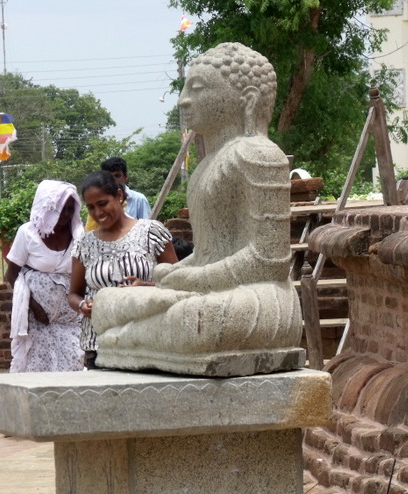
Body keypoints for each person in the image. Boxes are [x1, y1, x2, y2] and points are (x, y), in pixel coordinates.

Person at [90, 42, 302, 376]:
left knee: (194, 319)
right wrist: (180, 273)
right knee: (106, 302)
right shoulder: (206, 166)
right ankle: (128, 337)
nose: (183, 99)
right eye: (186, 88)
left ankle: (126, 338)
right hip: (210, 288)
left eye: (197, 88)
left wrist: (192, 278)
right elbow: (209, 251)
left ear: (246, 99)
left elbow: (268, 260)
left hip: (259, 300)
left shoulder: (260, 155)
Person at [69, 170, 177, 369]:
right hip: (99, 345)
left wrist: (146, 286)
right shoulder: (85, 244)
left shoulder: (151, 233)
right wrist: (83, 306)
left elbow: (176, 284)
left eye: (103, 203)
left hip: (146, 343)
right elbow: (73, 294)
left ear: (119, 196)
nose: (98, 213)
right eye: (91, 207)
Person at [5, 180, 85, 373]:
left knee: (73, 360)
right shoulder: (28, 233)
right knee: (37, 366)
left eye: (69, 209)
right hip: (36, 319)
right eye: (60, 210)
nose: (65, 215)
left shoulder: (78, 234)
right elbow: (12, 274)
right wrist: (35, 307)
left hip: (68, 317)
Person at [84, 156, 151, 231]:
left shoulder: (139, 200)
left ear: (125, 177)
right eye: (110, 177)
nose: (114, 180)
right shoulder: (96, 202)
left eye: (117, 176)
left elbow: (147, 229)